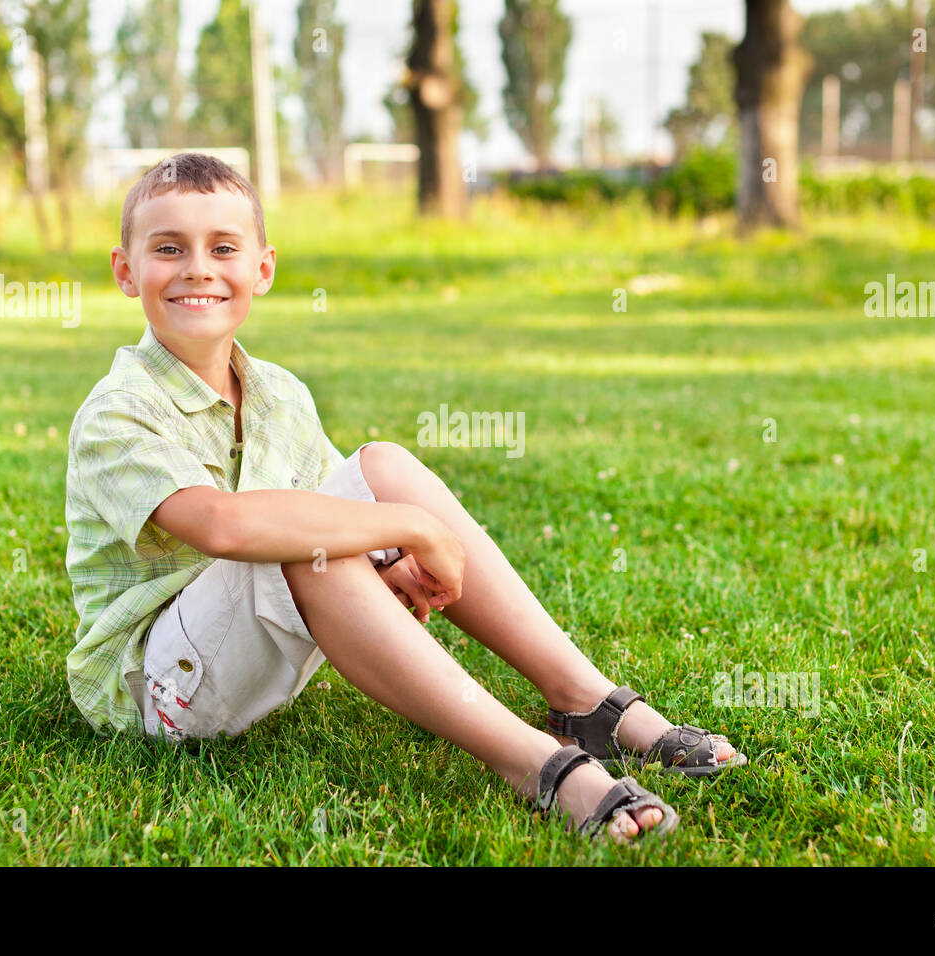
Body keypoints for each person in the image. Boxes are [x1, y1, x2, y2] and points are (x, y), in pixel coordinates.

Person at [64, 153, 745, 845]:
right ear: (125, 269)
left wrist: (388, 559)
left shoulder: (278, 394)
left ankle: (586, 701)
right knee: (313, 548)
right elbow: (221, 526)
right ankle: (541, 764)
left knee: (381, 466)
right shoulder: (119, 411)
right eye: (169, 248)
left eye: (224, 248)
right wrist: (410, 528)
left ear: (263, 270)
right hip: (158, 692)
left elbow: (336, 503)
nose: (198, 268)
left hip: (246, 644)